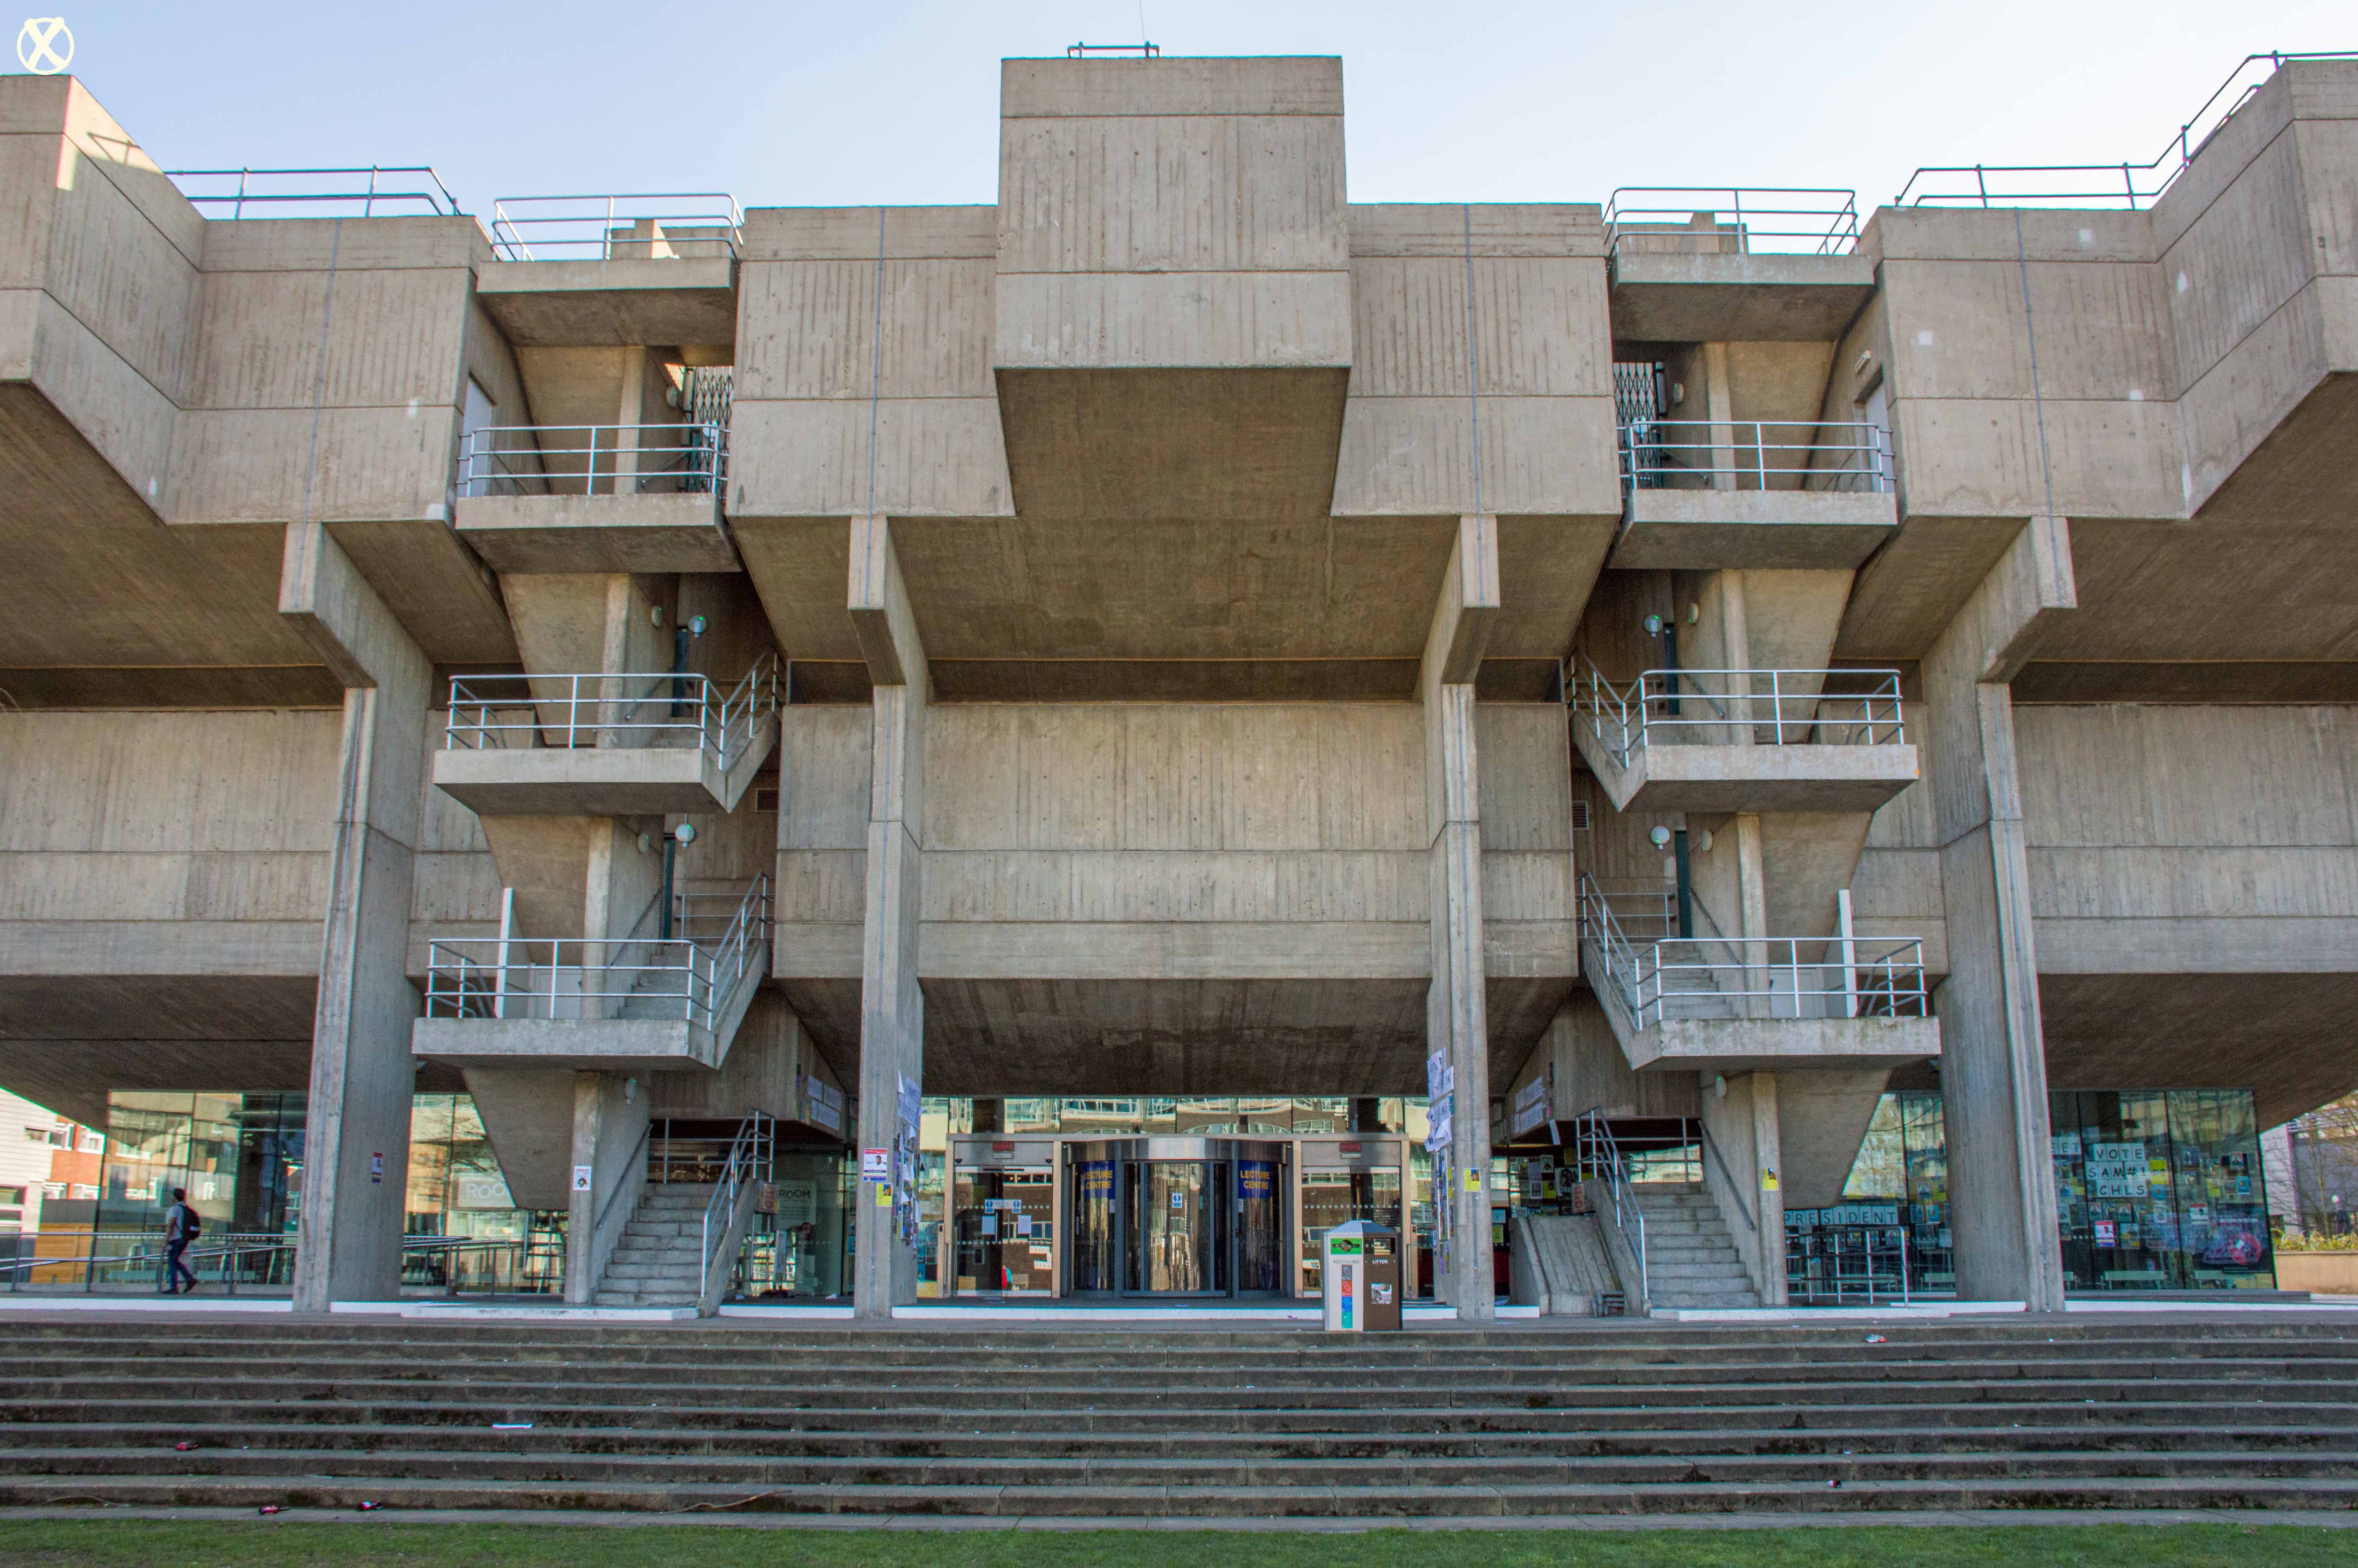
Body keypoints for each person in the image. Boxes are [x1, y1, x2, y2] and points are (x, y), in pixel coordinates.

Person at [162, 1188, 201, 1295]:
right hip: (184, 1239)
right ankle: (189, 1279)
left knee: (172, 1262)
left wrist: (166, 1240)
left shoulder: (175, 1209)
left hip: (175, 1240)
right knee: (174, 1261)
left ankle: (174, 1287)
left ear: (175, 1197)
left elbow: (170, 1225)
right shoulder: (185, 1208)